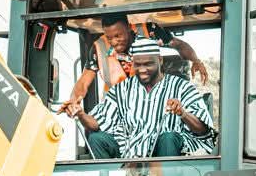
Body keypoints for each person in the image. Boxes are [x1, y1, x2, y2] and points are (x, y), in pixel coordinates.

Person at [65, 38, 215, 160]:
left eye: (148, 64)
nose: (142, 70)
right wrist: (81, 114)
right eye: (138, 64)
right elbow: (97, 123)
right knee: (96, 138)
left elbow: (202, 130)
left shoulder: (182, 87)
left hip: (166, 154)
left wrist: (183, 113)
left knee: (168, 138)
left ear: (160, 60)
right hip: (127, 154)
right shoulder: (120, 89)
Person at [65, 15, 209, 107]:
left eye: (118, 35)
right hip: (117, 108)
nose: (114, 42)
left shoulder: (150, 32)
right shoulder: (99, 48)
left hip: (152, 105)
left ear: (128, 27)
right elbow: (84, 81)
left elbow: (179, 45)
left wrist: (196, 60)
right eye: (109, 37)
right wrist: (73, 100)